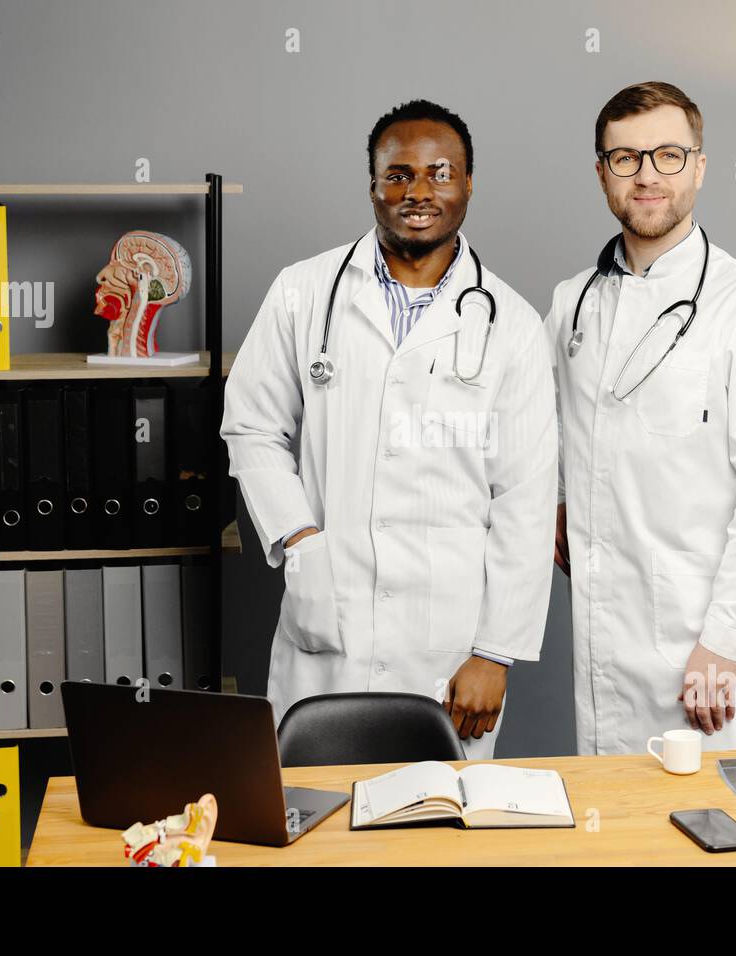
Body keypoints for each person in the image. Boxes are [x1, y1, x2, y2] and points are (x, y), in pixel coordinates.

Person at [221, 99, 557, 758]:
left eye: (440, 172)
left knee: (436, 832)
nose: (419, 192)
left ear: (467, 184)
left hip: (450, 643)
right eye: (398, 174)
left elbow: (526, 493)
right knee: (313, 823)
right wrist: (302, 542)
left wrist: (495, 652)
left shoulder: (512, 324)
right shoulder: (304, 292)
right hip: (328, 612)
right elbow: (251, 427)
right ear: (373, 184)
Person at [545, 81, 736, 755]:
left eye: (668, 155)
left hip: (700, 646)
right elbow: (549, 427)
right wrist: (556, 499)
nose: (646, 176)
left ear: (699, 165)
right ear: (602, 172)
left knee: (708, 840)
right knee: (613, 841)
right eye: (625, 158)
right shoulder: (571, 302)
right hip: (601, 634)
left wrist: (724, 644)